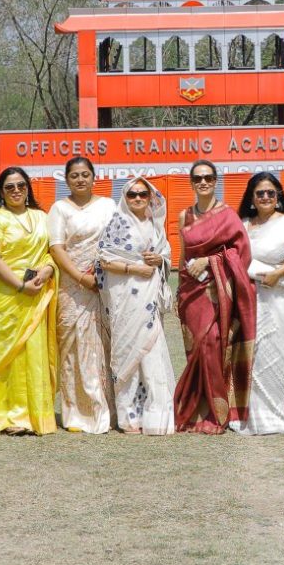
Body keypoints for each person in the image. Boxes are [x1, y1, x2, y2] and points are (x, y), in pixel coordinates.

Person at [174, 160, 256, 434]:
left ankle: (218, 412)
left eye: (208, 177)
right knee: (196, 347)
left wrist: (210, 261)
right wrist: (180, 291)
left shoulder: (228, 215)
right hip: (191, 291)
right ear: (191, 182)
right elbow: (184, 255)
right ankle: (198, 407)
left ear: (215, 180)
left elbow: (241, 253)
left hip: (219, 291)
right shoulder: (184, 215)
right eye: (197, 178)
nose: (203, 182)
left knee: (212, 344)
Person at [0, 165, 58, 435]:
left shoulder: (41, 216)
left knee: (33, 356)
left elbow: (50, 252)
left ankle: (34, 415)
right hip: (6, 295)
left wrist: (47, 271)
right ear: (1, 191)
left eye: (21, 186)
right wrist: (20, 286)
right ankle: (5, 417)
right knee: (5, 357)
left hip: (36, 293)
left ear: (28, 189)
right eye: (10, 187)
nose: (16, 191)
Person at [99, 178, 177, 434]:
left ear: (151, 197)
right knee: (127, 354)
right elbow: (104, 260)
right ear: (125, 196)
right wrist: (135, 268)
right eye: (132, 194)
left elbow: (166, 255)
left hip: (149, 302)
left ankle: (156, 415)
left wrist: (159, 259)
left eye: (143, 194)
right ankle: (128, 416)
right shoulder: (116, 223)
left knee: (152, 353)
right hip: (125, 301)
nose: (138, 199)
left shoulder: (156, 226)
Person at [47, 156, 117, 433]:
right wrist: (80, 277)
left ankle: (106, 410)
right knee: (73, 349)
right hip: (73, 287)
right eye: (74, 175)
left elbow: (116, 240)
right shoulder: (59, 209)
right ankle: (77, 413)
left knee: (104, 346)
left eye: (85, 174)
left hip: (104, 285)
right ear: (67, 180)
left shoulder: (108, 206)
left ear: (93, 177)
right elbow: (56, 247)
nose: (80, 179)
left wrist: (101, 274)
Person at [240, 171, 284, 435]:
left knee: (277, 351)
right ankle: (253, 417)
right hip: (250, 297)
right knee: (252, 354)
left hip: (279, 295)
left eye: (270, 192)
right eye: (260, 193)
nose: (265, 197)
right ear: (252, 198)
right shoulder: (243, 224)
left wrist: (277, 274)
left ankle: (278, 416)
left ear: (278, 196)